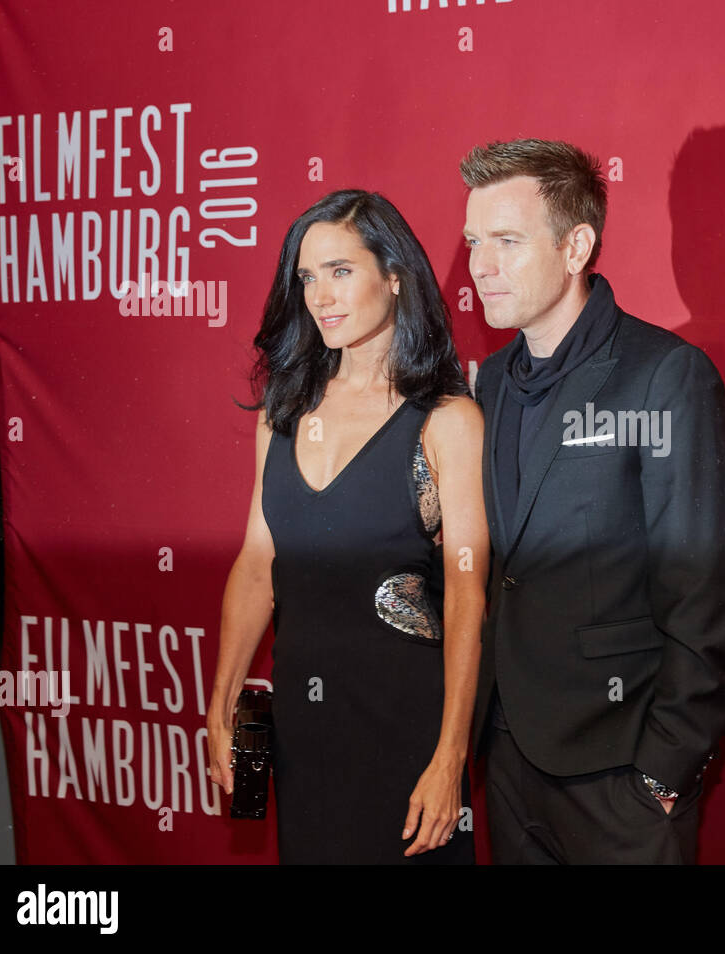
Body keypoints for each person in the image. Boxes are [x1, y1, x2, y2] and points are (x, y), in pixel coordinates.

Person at [460, 139, 725, 864]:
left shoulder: (665, 377)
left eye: (505, 241)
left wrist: (662, 769)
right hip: (510, 758)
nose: (480, 267)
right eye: (473, 243)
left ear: (575, 245)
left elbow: (702, 590)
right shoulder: (488, 383)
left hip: (622, 774)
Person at [206, 189, 489, 864]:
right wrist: (220, 704)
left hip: (408, 733)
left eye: (341, 271)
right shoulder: (282, 411)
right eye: (307, 277)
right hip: (308, 736)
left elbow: (469, 594)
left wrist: (451, 756)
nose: (320, 296)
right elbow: (256, 564)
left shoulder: (447, 421)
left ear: (394, 275)